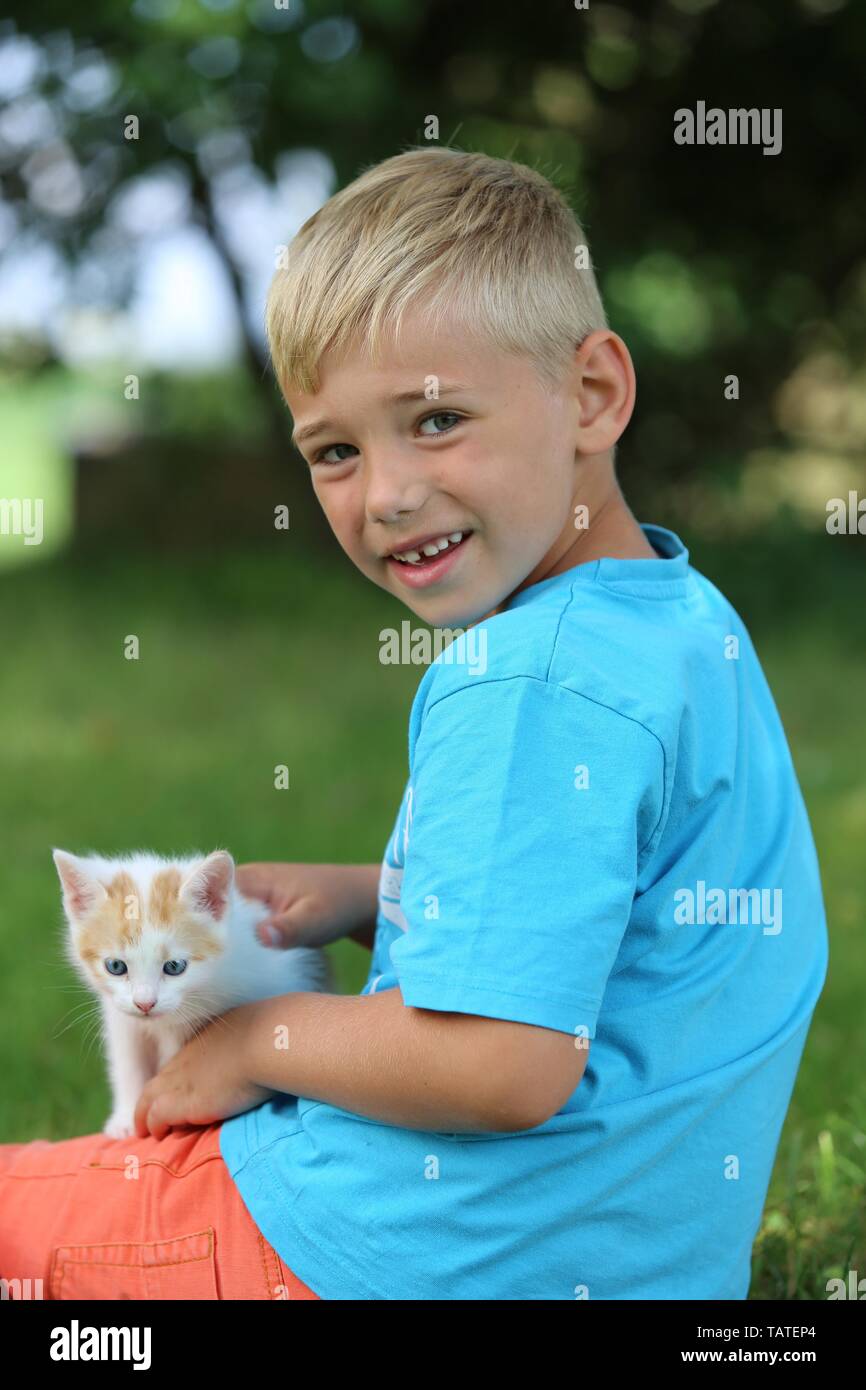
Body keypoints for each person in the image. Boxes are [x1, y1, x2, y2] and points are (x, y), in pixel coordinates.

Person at [0, 147, 828, 1300]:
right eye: (335, 450)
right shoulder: (681, 624)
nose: (382, 493)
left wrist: (250, 1040)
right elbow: (613, 899)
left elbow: (499, 1064)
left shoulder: (523, 679)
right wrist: (363, 891)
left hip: (382, 1255)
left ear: (591, 393)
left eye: (434, 419)